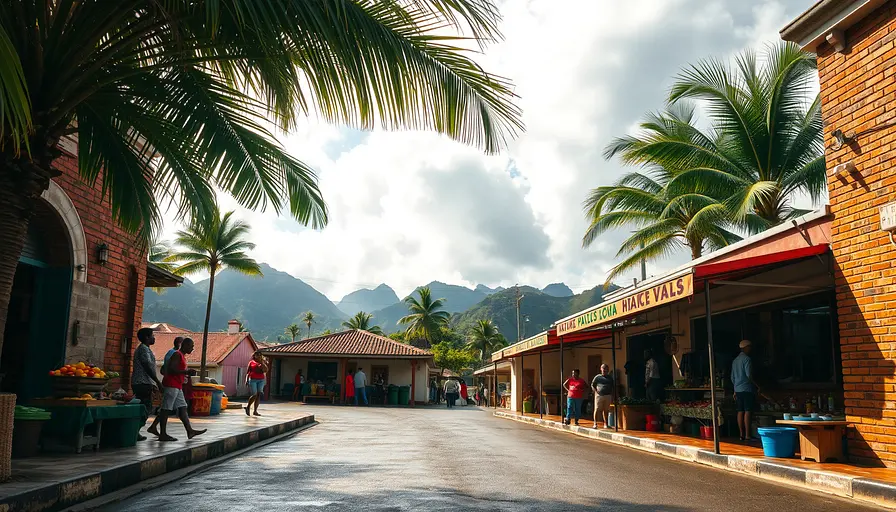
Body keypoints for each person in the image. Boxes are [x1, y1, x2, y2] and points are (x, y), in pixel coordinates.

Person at [156, 338, 206, 441]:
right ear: (185, 345)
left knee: (183, 407)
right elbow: (171, 369)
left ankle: (189, 431)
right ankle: (163, 434)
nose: (192, 349)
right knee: (166, 409)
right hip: (171, 385)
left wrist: (185, 373)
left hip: (177, 385)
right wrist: (186, 372)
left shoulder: (182, 356)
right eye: (191, 346)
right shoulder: (177, 354)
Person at [131, 327, 163, 441]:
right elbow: (147, 367)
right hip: (142, 382)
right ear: (147, 337)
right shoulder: (143, 349)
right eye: (152, 336)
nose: (154, 338)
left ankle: (135, 431)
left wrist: (153, 383)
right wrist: (157, 382)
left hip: (145, 382)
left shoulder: (146, 349)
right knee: (145, 408)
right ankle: (135, 431)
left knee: (145, 407)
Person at [732, 340, 759, 441]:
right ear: (746, 348)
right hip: (746, 389)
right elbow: (749, 375)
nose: (750, 349)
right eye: (750, 347)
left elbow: (732, 377)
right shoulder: (747, 359)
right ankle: (748, 435)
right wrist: (757, 385)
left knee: (740, 411)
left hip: (738, 389)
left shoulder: (735, 361)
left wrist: (735, 390)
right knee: (747, 411)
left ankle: (741, 435)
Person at [591, 364, 614, 429]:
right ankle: (595, 423)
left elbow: (613, 387)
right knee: (597, 409)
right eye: (603, 368)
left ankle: (606, 424)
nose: (604, 370)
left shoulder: (610, 378)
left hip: (608, 395)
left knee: (606, 410)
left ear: (608, 370)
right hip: (599, 395)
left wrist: (613, 395)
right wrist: (596, 391)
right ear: (601, 369)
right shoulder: (597, 377)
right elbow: (592, 385)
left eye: (606, 368)